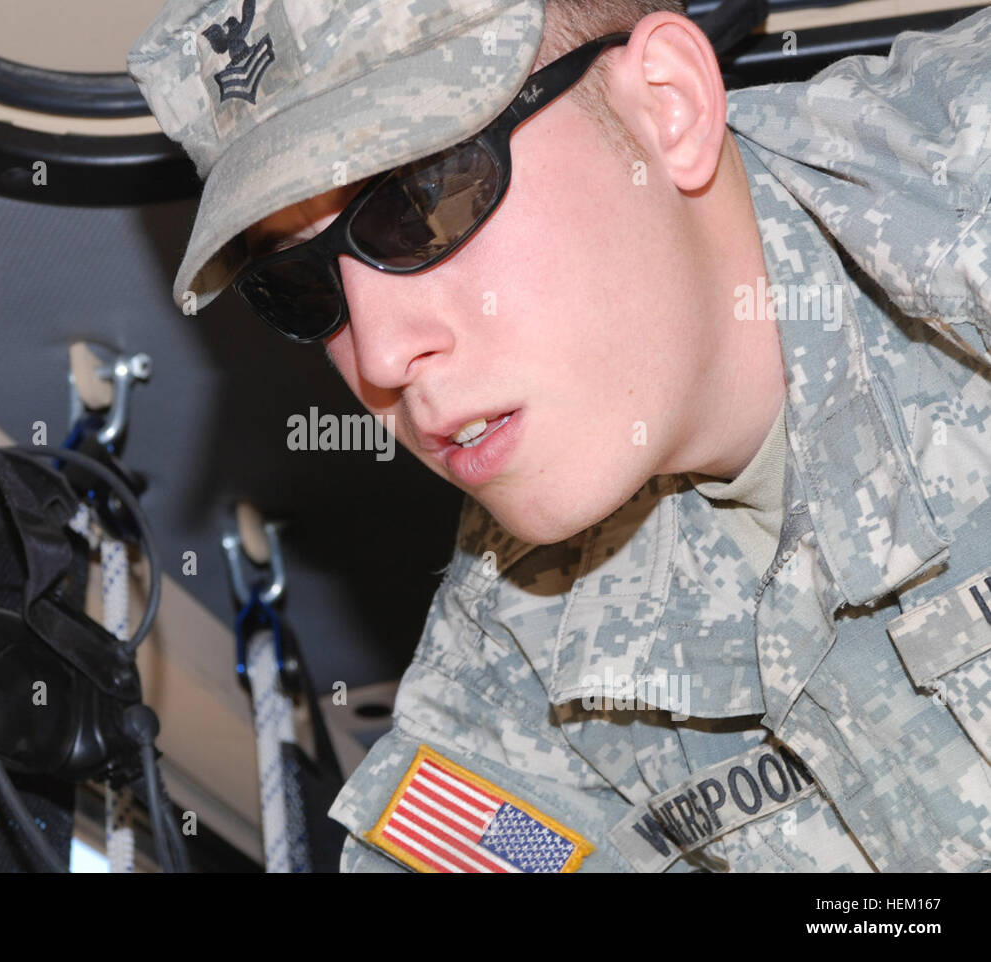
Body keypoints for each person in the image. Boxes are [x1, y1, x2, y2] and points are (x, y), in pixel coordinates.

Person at [128, 0, 991, 871]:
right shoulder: (512, 670)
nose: (381, 353)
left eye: (421, 206)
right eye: (300, 288)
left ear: (668, 104)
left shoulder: (965, 193)